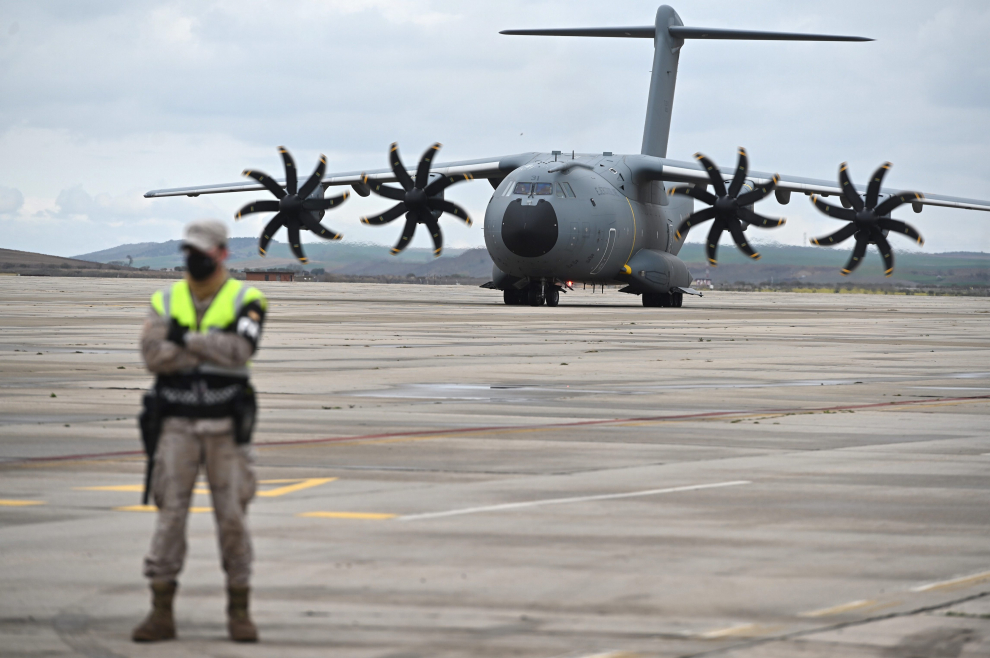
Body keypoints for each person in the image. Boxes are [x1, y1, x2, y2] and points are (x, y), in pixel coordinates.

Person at [133, 219, 267, 643]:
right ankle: (160, 612)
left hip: (226, 427)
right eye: (189, 251)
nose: (194, 259)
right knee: (169, 517)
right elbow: (154, 355)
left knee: (232, 519)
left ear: (222, 253)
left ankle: (239, 610)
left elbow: (239, 351)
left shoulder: (247, 298)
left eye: (202, 251)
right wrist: (209, 342)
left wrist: (185, 340)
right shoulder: (165, 298)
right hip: (176, 425)